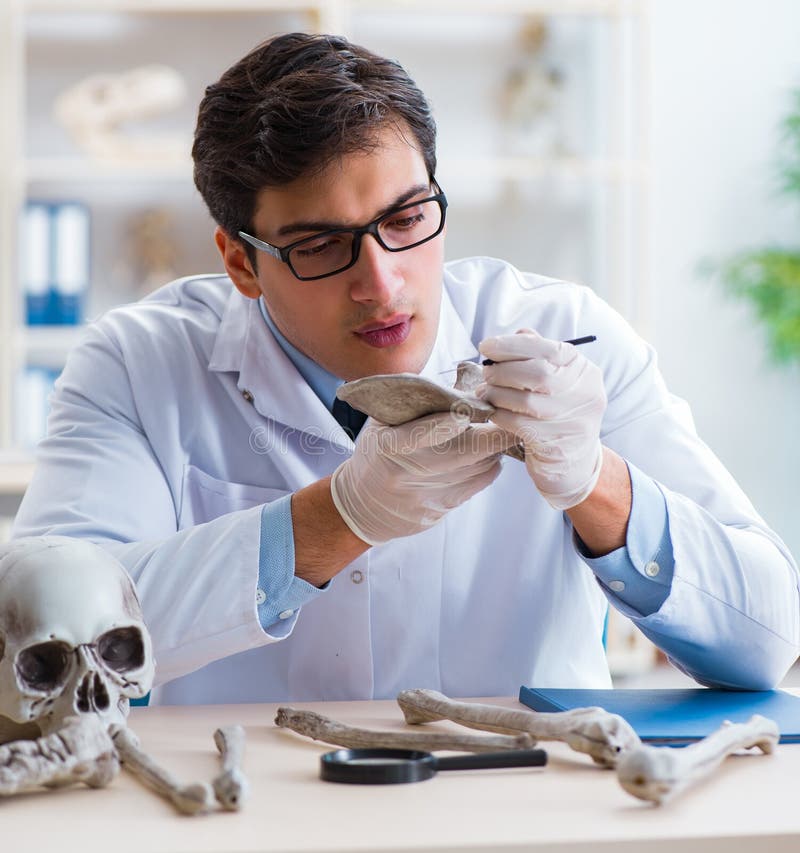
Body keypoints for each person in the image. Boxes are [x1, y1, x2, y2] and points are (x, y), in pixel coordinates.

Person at [14, 33, 799, 704]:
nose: (381, 282)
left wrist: (595, 478)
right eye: (320, 245)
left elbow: (769, 639)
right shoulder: (135, 364)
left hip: (521, 812)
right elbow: (42, 633)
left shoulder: (569, 337)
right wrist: (329, 521)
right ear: (240, 263)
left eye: (406, 219)